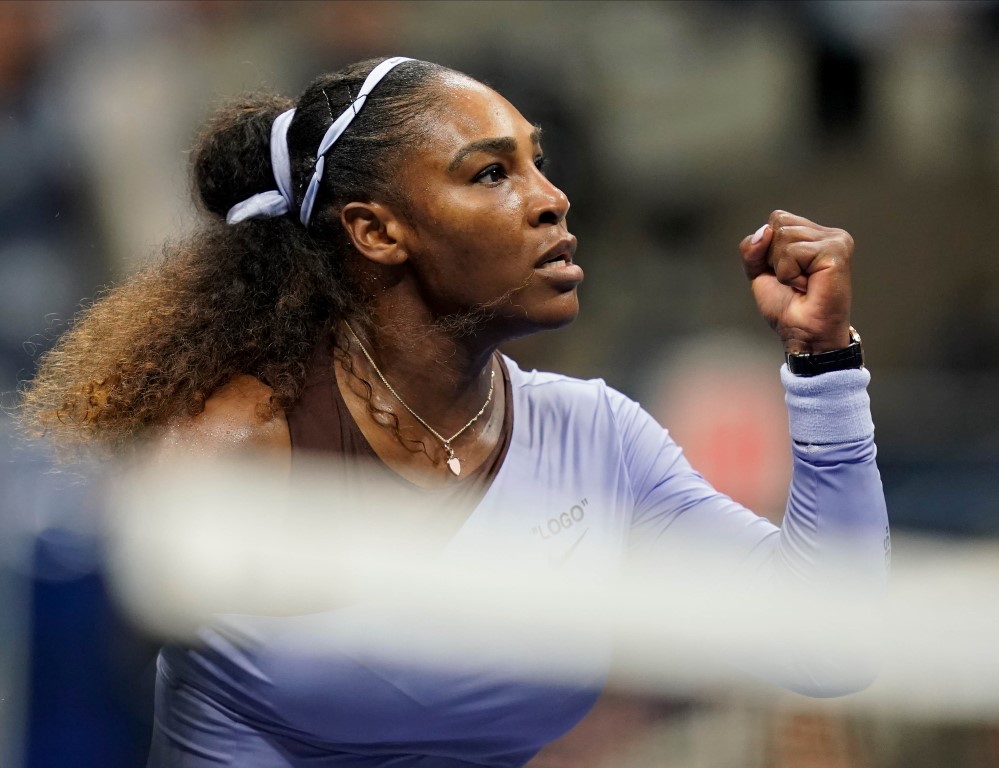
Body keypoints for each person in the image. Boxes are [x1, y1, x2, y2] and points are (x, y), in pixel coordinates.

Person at [19, 56, 888, 767]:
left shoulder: (598, 437)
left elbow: (827, 646)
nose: (550, 197)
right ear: (377, 231)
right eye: (491, 173)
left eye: (538, 162)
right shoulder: (235, 444)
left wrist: (826, 366)